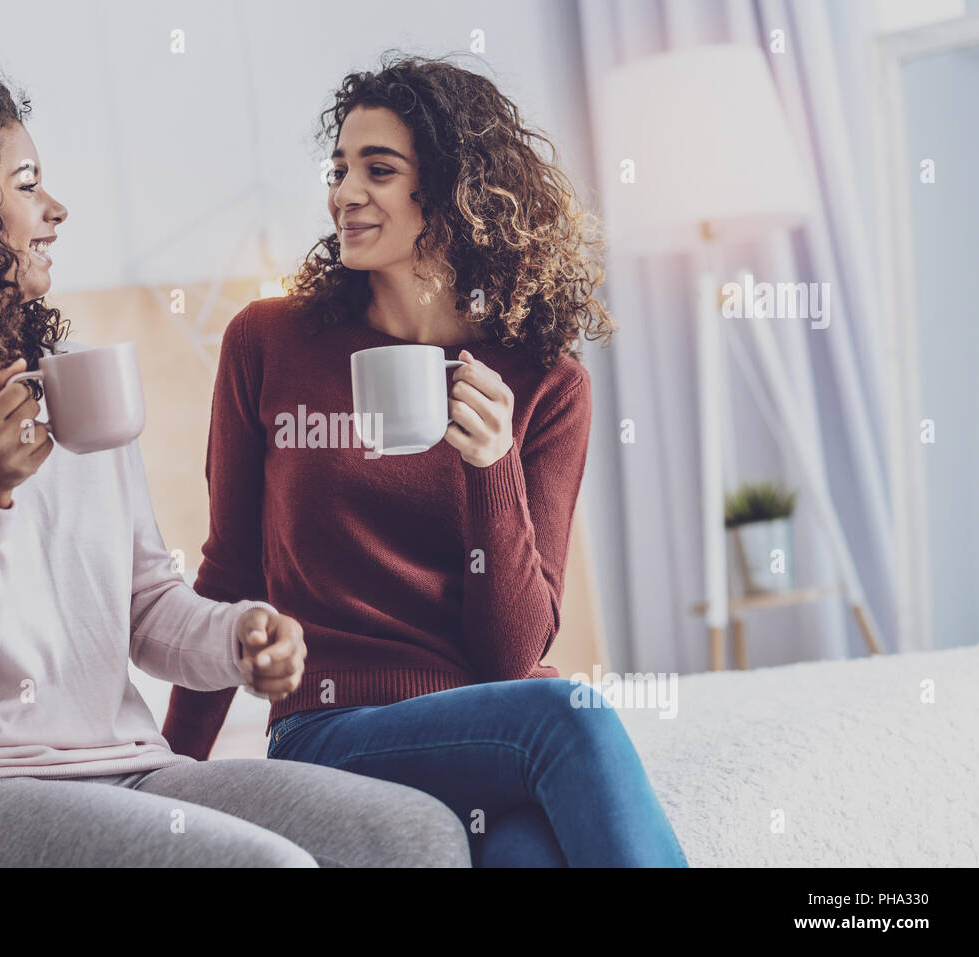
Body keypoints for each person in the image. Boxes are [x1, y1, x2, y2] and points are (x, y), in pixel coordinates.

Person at [0, 61, 470, 868]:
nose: (56, 209)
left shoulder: (80, 380)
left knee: (417, 834)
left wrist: (237, 637)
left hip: (131, 769)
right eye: (26, 185)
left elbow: (146, 605)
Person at [162, 55, 688, 867]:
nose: (344, 193)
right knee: (572, 712)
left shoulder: (549, 384)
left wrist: (492, 466)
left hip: (490, 724)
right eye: (339, 169)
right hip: (330, 730)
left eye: (378, 169)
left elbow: (511, 656)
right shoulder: (266, 341)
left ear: (450, 192)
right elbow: (231, 572)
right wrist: (171, 774)